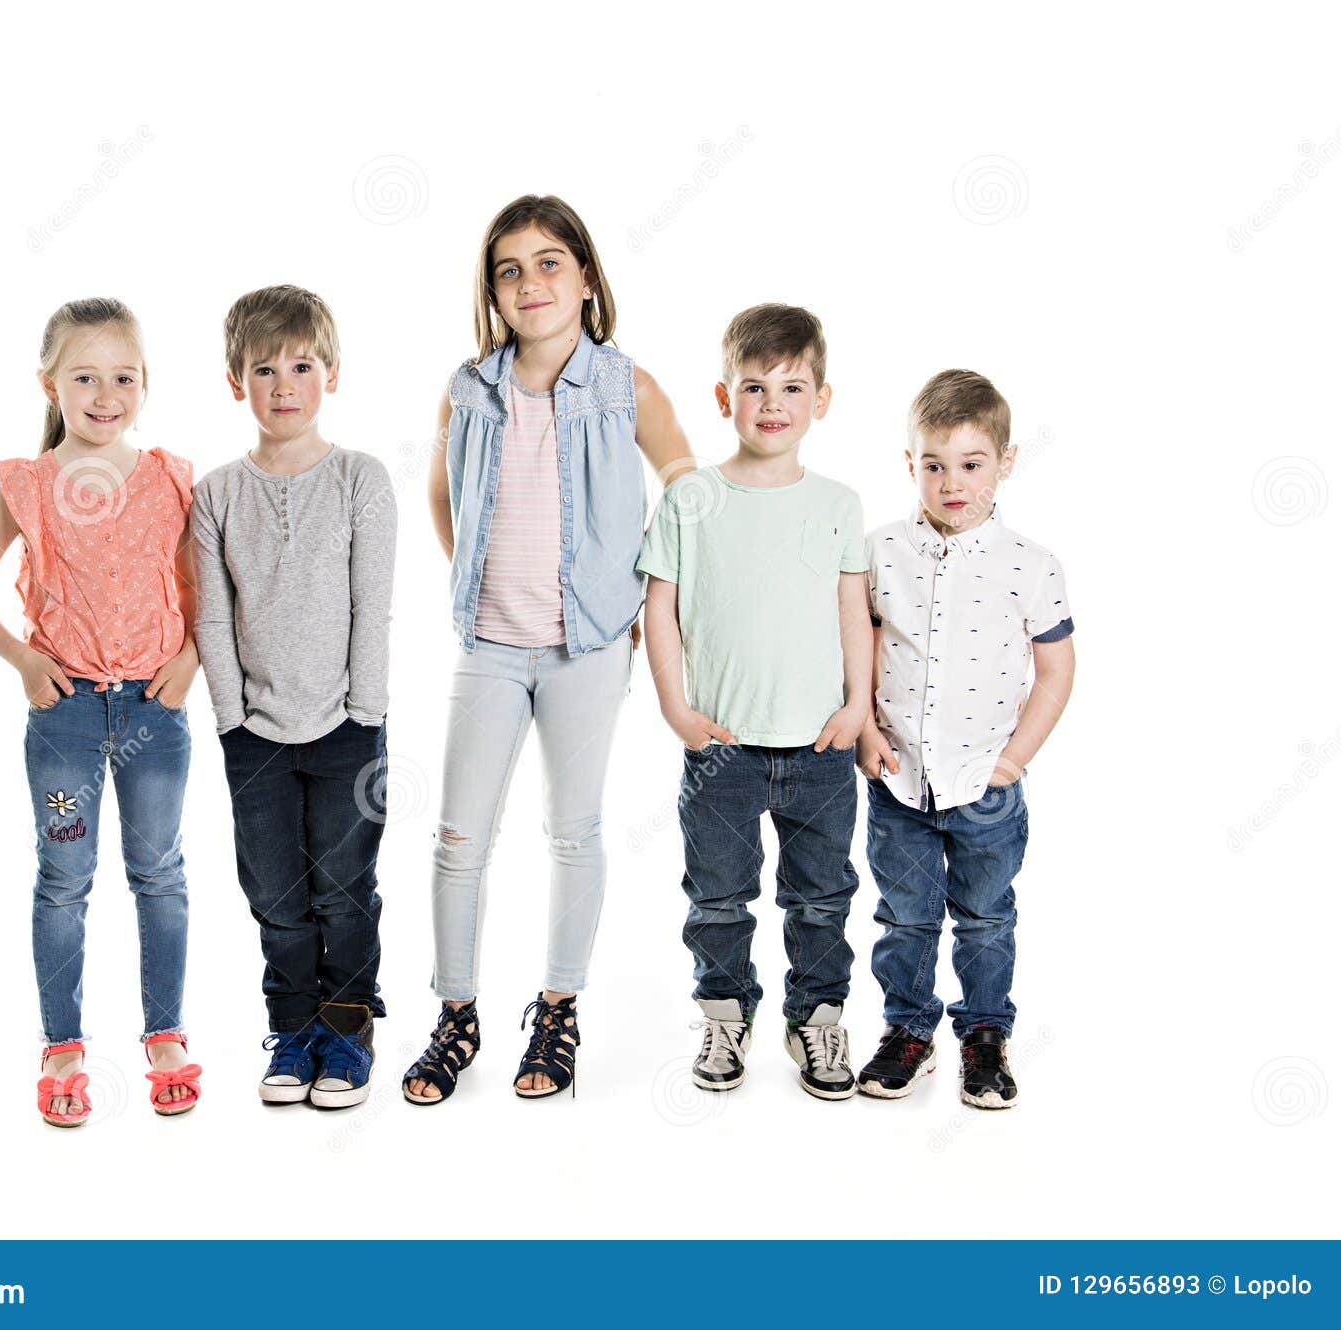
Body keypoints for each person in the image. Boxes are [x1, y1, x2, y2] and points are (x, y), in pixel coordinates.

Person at [401, 194, 694, 1104]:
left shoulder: (624, 386)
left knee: (574, 830)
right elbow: (444, 494)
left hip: (589, 647)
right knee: (458, 836)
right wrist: (472, 579)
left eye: (549, 262)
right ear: (492, 290)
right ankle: (456, 1014)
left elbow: (684, 488)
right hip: (490, 644)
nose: (530, 282)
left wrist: (646, 600)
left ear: (588, 276)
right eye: (509, 268)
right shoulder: (471, 388)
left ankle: (558, 1010)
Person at [0, 297, 202, 1127]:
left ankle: (165, 1035)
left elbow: (210, 591)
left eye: (122, 377)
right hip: (65, 721)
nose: (105, 394)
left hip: (155, 717)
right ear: (49, 385)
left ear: (145, 385)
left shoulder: (170, 480)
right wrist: (25, 661)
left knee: (158, 871)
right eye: (84, 377)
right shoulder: (29, 488)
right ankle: (62, 1046)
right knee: (64, 878)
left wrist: (191, 659)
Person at [638, 303, 871, 1100]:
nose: (773, 403)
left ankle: (818, 1017)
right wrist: (676, 708)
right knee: (717, 896)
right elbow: (660, 608)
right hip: (722, 746)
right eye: (755, 386)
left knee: (821, 896)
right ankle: (723, 1013)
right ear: (722, 397)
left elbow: (853, 614)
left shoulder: (839, 505)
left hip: (819, 746)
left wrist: (857, 708)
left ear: (822, 401)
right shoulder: (691, 499)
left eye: (793, 386)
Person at [193, 286, 396, 1108]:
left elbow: (369, 605)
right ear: (235, 380)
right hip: (255, 736)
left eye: (303, 365)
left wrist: (368, 713)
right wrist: (234, 722)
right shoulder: (216, 493)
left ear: (333, 375)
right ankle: (294, 1028)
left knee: (343, 890)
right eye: (265, 367)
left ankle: (347, 1031)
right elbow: (212, 612)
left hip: (348, 724)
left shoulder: (360, 479)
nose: (284, 383)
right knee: (275, 892)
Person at [855, 369, 1076, 1108]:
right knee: (904, 917)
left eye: (972, 464)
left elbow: (1055, 668)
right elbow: (855, 651)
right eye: (934, 465)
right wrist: (862, 733)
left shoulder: (1031, 564)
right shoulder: (878, 551)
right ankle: (907, 1032)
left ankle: (984, 1038)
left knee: (985, 917)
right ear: (910, 464)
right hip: (898, 781)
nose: (953, 483)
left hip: (986, 786)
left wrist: (1015, 759)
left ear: (1005, 462)